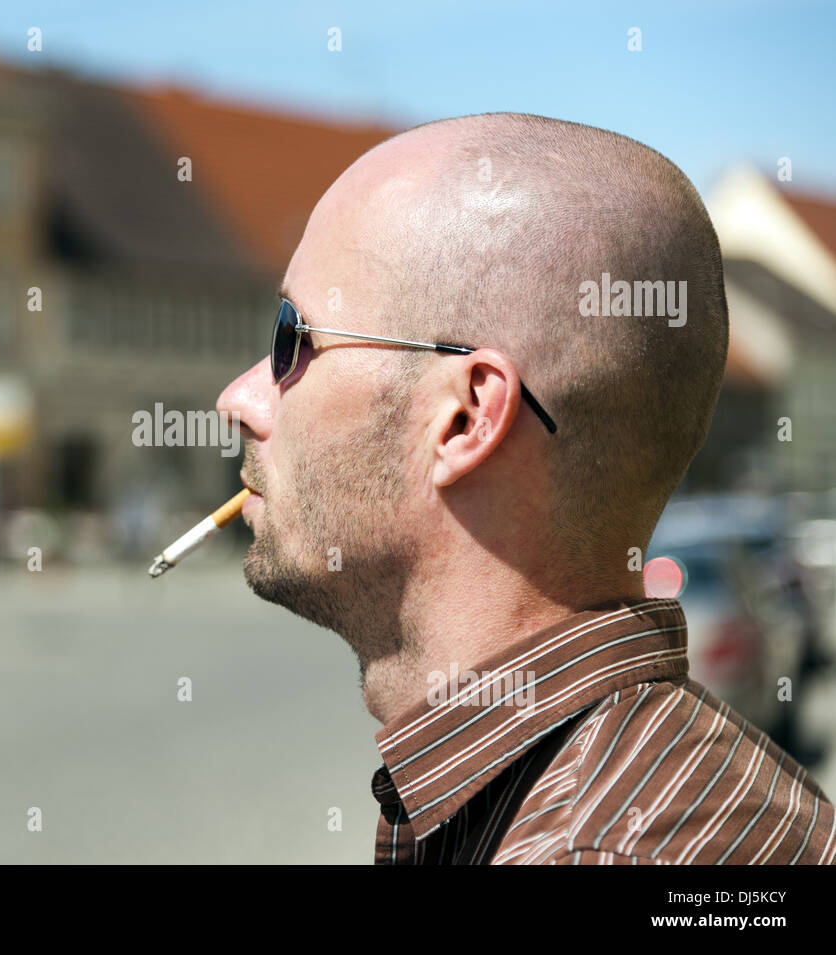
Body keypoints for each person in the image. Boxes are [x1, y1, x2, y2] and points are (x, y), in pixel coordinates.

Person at [215, 112, 834, 865]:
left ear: (465, 417)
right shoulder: (670, 788)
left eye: (292, 338)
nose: (241, 396)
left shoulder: (592, 849)